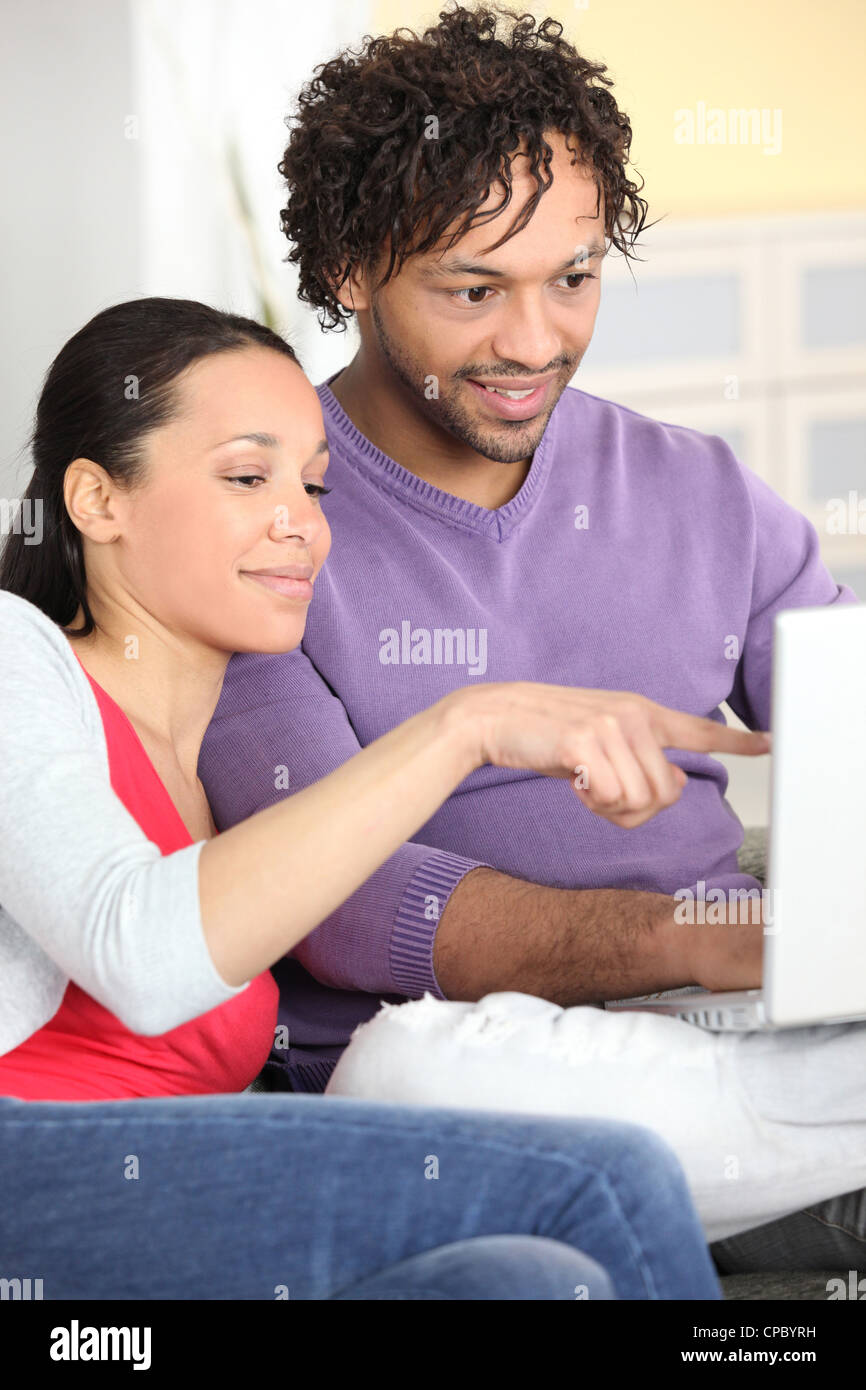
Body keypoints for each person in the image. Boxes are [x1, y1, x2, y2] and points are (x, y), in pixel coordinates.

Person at [196, 2, 862, 1274]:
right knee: (404, 1075)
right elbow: (342, 912)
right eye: (471, 290)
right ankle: (800, 1175)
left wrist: (788, 946)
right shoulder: (265, 530)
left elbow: (851, 724)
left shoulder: (699, 489)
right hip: (483, 1057)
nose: (532, 341)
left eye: (571, 278)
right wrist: (709, 934)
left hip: (741, 1026)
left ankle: (775, 1173)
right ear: (348, 270)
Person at [0, 296, 725, 1300]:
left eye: (312, 483)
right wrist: (464, 725)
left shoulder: (224, 769)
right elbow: (142, 953)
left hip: (148, 1247)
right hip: (29, 1173)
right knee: (608, 1175)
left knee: (523, 1281)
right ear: (97, 500)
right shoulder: (14, 661)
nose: (298, 521)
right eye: (247, 477)